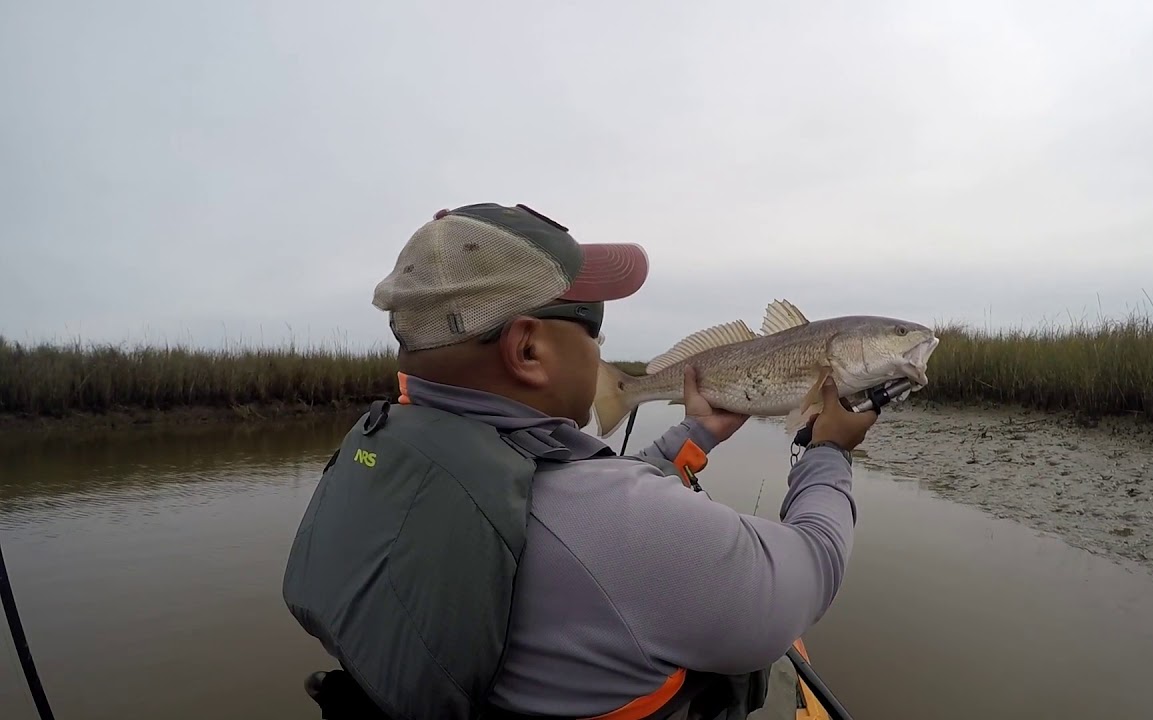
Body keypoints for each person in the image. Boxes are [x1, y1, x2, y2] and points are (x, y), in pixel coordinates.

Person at [281, 202, 878, 720]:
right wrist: (828, 449)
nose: (600, 345)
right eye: (591, 322)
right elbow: (805, 574)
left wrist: (695, 433)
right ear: (528, 348)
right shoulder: (619, 529)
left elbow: (574, 502)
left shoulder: (383, 453)